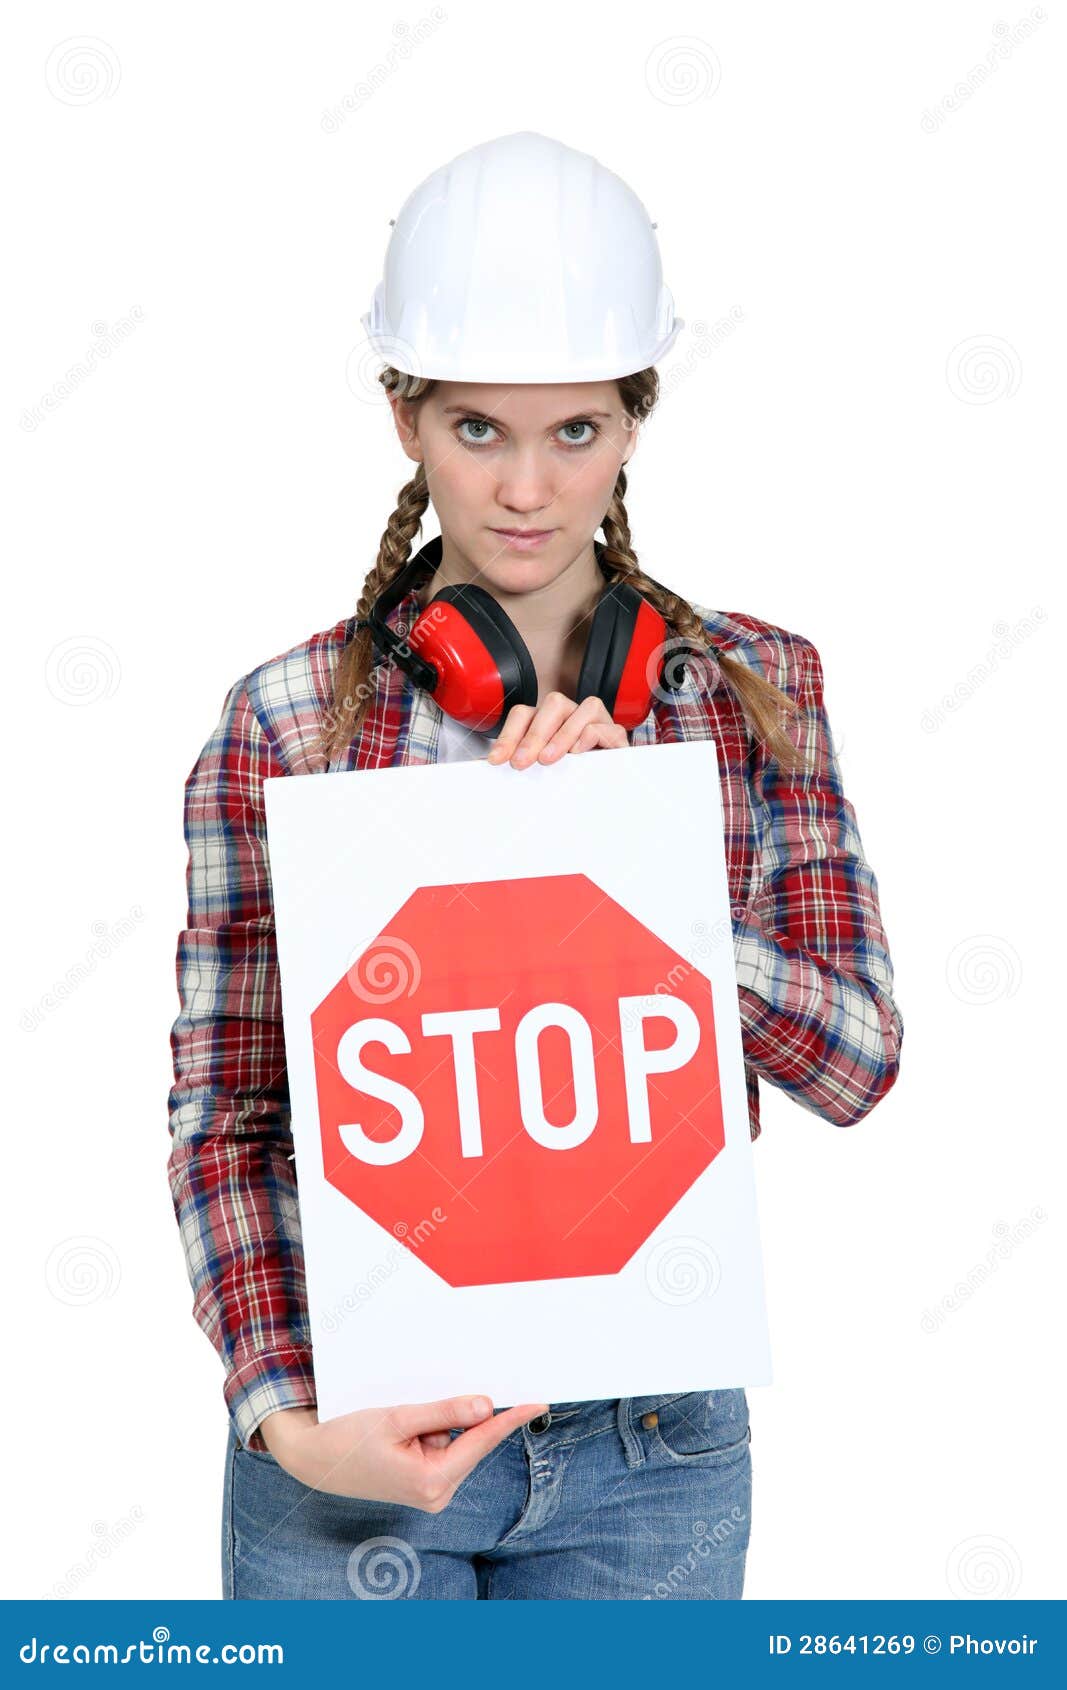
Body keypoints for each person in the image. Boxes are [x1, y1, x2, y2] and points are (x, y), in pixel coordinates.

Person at [167, 132, 904, 1601]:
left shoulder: (750, 690)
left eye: (574, 430)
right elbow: (227, 1114)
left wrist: (638, 869)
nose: (524, 488)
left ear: (635, 419)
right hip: (358, 1442)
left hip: (654, 1450)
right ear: (405, 419)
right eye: (476, 428)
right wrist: (292, 1426)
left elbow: (857, 1063)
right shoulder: (287, 721)